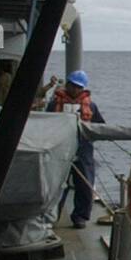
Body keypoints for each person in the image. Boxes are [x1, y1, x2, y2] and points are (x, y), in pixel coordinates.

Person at [46, 69, 104, 228]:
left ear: (83, 89)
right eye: (72, 85)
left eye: (78, 86)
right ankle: (51, 216)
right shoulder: (54, 104)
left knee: (85, 184)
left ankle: (80, 216)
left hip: (83, 149)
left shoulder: (91, 106)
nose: (74, 89)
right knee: (55, 184)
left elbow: (99, 126)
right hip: (59, 149)